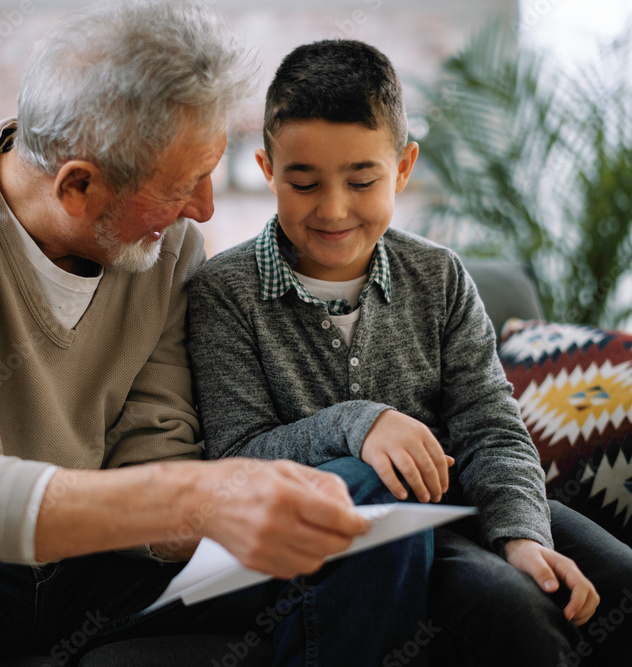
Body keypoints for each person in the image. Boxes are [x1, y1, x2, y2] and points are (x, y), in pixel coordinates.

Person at [0, 4, 433, 666]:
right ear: (77, 188)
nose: (205, 206)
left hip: (92, 572)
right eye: (185, 182)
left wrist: (257, 500)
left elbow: (150, 452)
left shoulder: (172, 249)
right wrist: (194, 496)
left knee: (362, 494)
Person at [187, 38, 632, 666]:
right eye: (303, 182)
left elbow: (492, 427)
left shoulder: (440, 276)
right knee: (517, 609)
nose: (333, 209)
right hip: (370, 540)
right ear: (267, 170)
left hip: (478, 499)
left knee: (618, 582)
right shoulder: (223, 292)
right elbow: (237, 456)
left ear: (402, 167)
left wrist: (522, 535)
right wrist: (358, 423)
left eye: (362, 179)